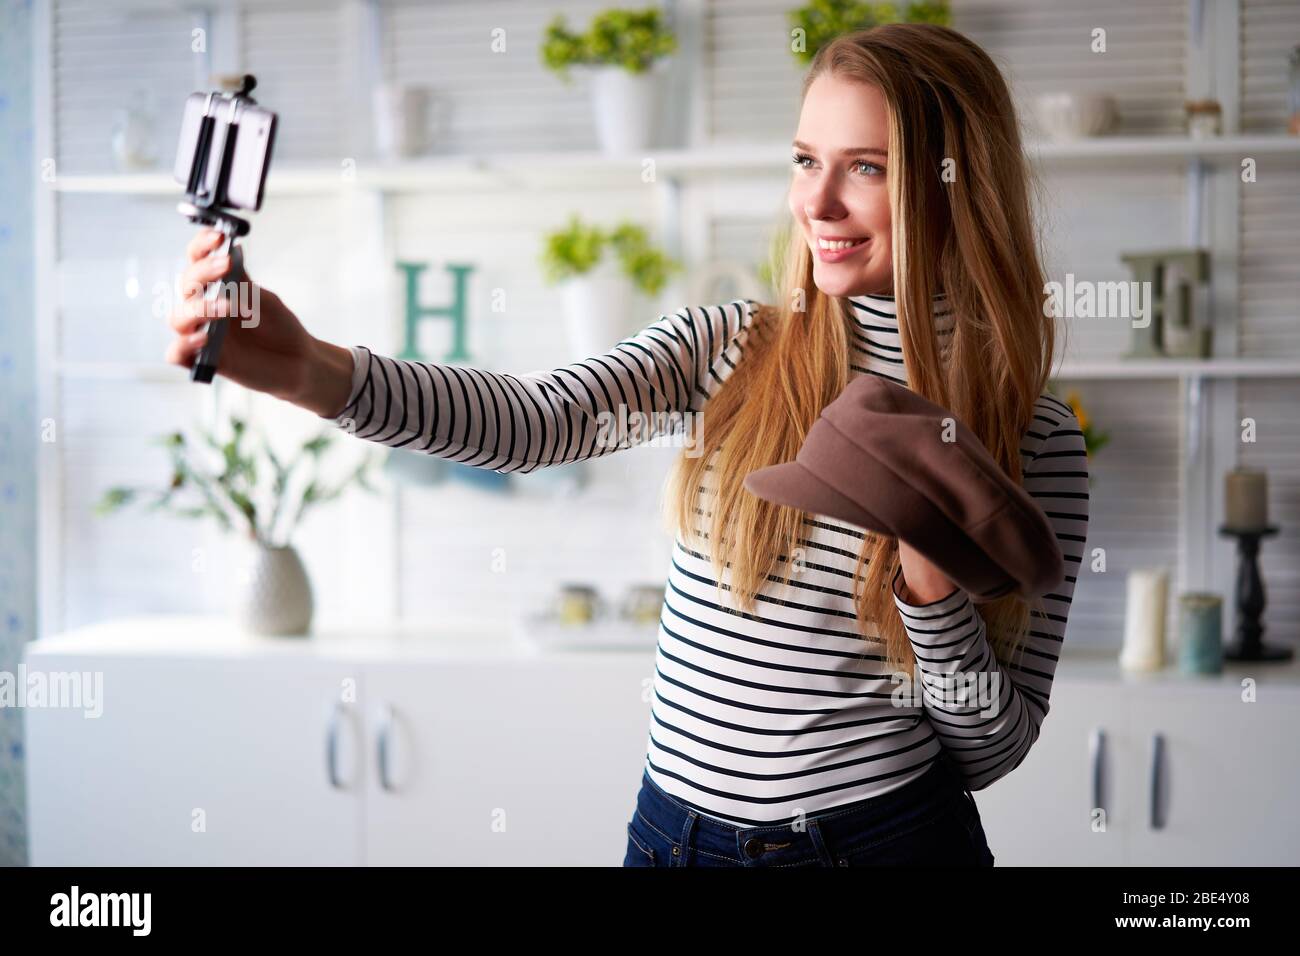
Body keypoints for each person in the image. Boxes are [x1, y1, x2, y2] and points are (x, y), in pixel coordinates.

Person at [166, 23, 1089, 868]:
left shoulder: (1030, 435)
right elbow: (534, 422)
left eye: (869, 168)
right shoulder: (731, 348)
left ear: (952, 181)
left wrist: (930, 583)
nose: (820, 201)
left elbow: (990, 750)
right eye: (807, 159)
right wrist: (308, 370)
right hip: (673, 839)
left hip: (883, 847)